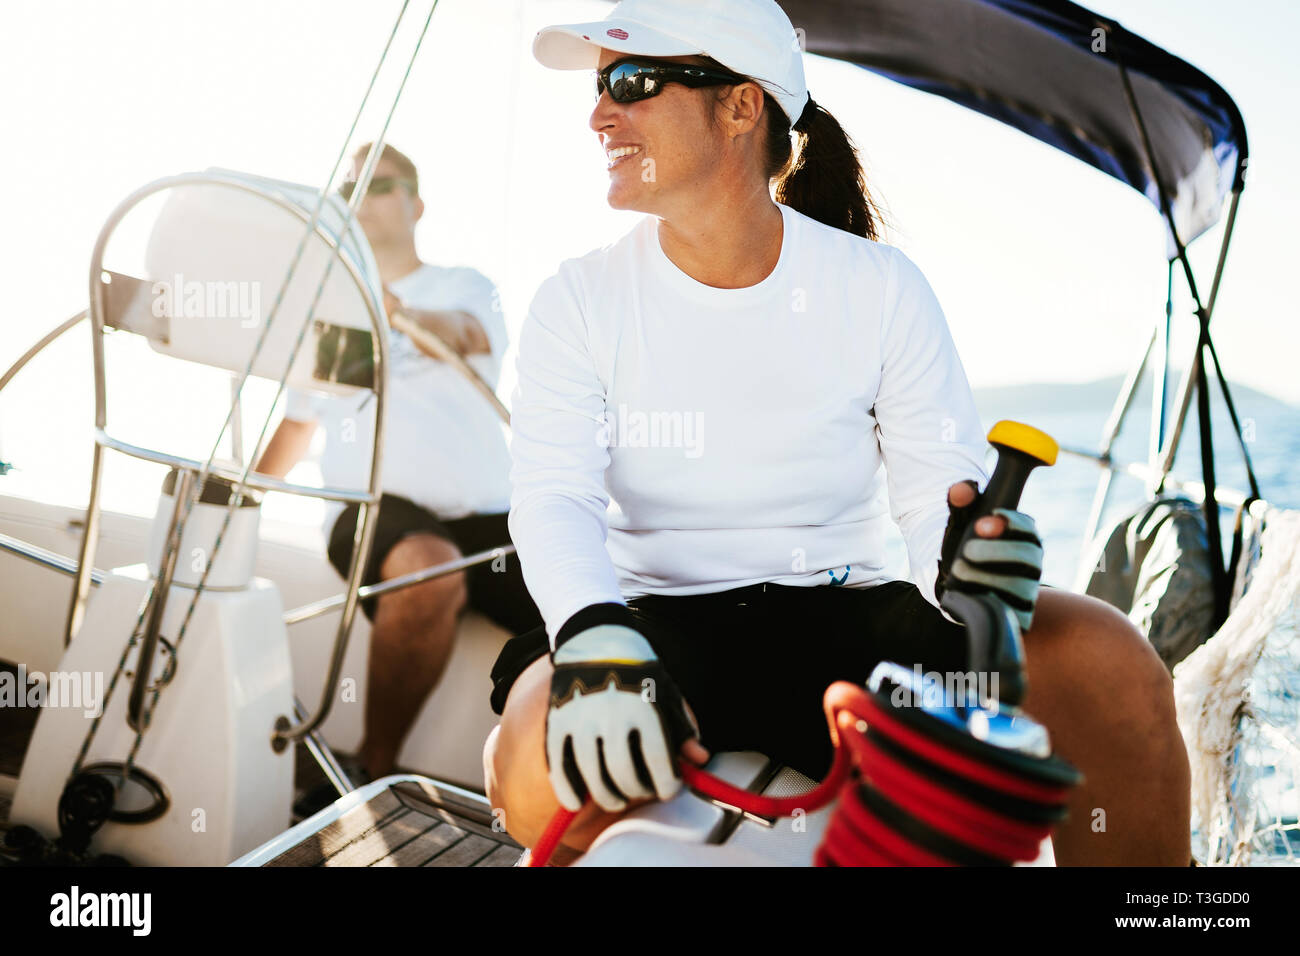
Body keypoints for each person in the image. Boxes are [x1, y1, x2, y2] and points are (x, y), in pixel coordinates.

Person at [482, 0, 1191, 866]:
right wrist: (593, 630)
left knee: (1106, 660)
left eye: (631, 82)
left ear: (742, 106)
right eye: (599, 87)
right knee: (529, 766)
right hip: (644, 620)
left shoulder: (881, 286)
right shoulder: (578, 299)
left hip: (846, 620)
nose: (599, 113)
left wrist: (972, 564)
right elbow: (555, 497)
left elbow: (941, 505)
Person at [258, 143, 542, 790]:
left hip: (486, 521)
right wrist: (235, 497)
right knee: (428, 568)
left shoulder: (465, 285)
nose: (359, 202)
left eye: (379, 186)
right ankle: (373, 769)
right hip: (373, 516)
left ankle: (545, 795)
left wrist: (400, 314)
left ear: (417, 204)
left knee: (587, 603)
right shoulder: (328, 316)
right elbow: (300, 422)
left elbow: (467, 333)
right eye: (348, 190)